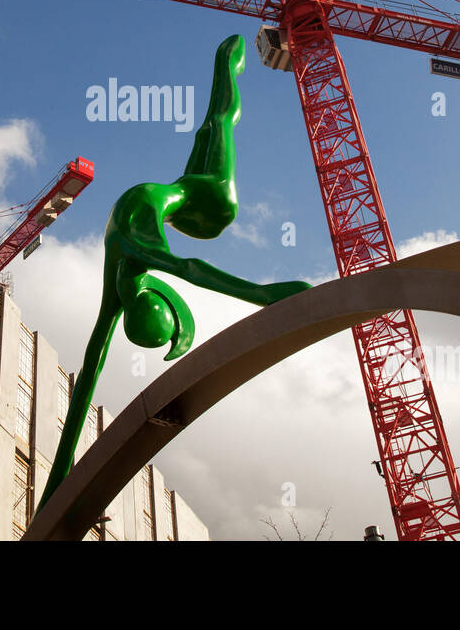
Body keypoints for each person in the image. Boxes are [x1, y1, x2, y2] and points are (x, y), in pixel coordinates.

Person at [37, 34, 310, 515]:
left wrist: (264, 295)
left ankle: (227, 61)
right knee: (212, 127)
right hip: (182, 203)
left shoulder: (133, 263)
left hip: (197, 208)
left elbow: (191, 269)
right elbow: (89, 372)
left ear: (154, 305)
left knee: (219, 125)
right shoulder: (121, 283)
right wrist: (57, 481)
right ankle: (223, 64)